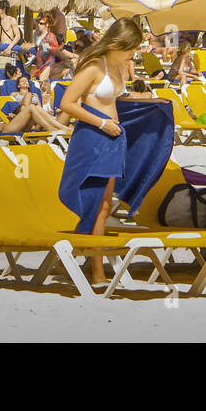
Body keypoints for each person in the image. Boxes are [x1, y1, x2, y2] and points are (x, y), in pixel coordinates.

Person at [58, 17, 141, 283]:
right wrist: (102, 123)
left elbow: (115, 101)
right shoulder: (94, 67)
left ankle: (85, 262)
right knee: (97, 205)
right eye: (131, 47)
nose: (133, 52)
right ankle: (95, 271)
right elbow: (67, 103)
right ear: (118, 43)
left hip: (111, 140)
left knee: (104, 206)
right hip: (93, 138)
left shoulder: (118, 65)